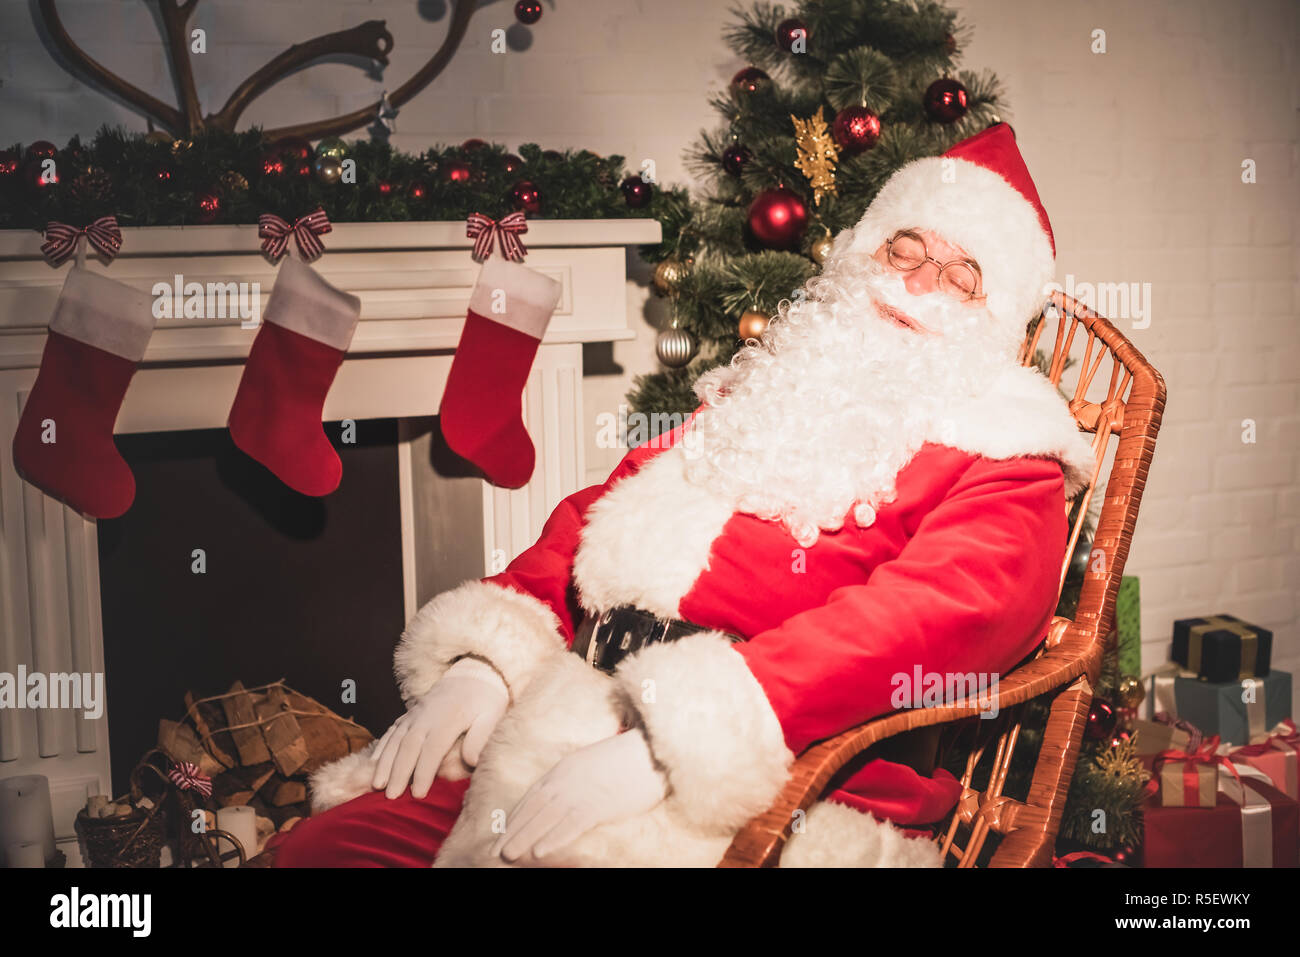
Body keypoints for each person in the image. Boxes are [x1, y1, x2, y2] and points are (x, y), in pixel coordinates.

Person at [269, 123, 1094, 868]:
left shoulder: (1006, 453)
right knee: (329, 850)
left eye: (961, 275)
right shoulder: (767, 392)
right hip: (567, 712)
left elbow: (946, 615)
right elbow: (602, 513)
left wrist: (676, 740)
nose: (917, 285)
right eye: (905, 250)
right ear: (858, 257)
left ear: (1002, 323)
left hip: (780, 782)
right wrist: (485, 664)